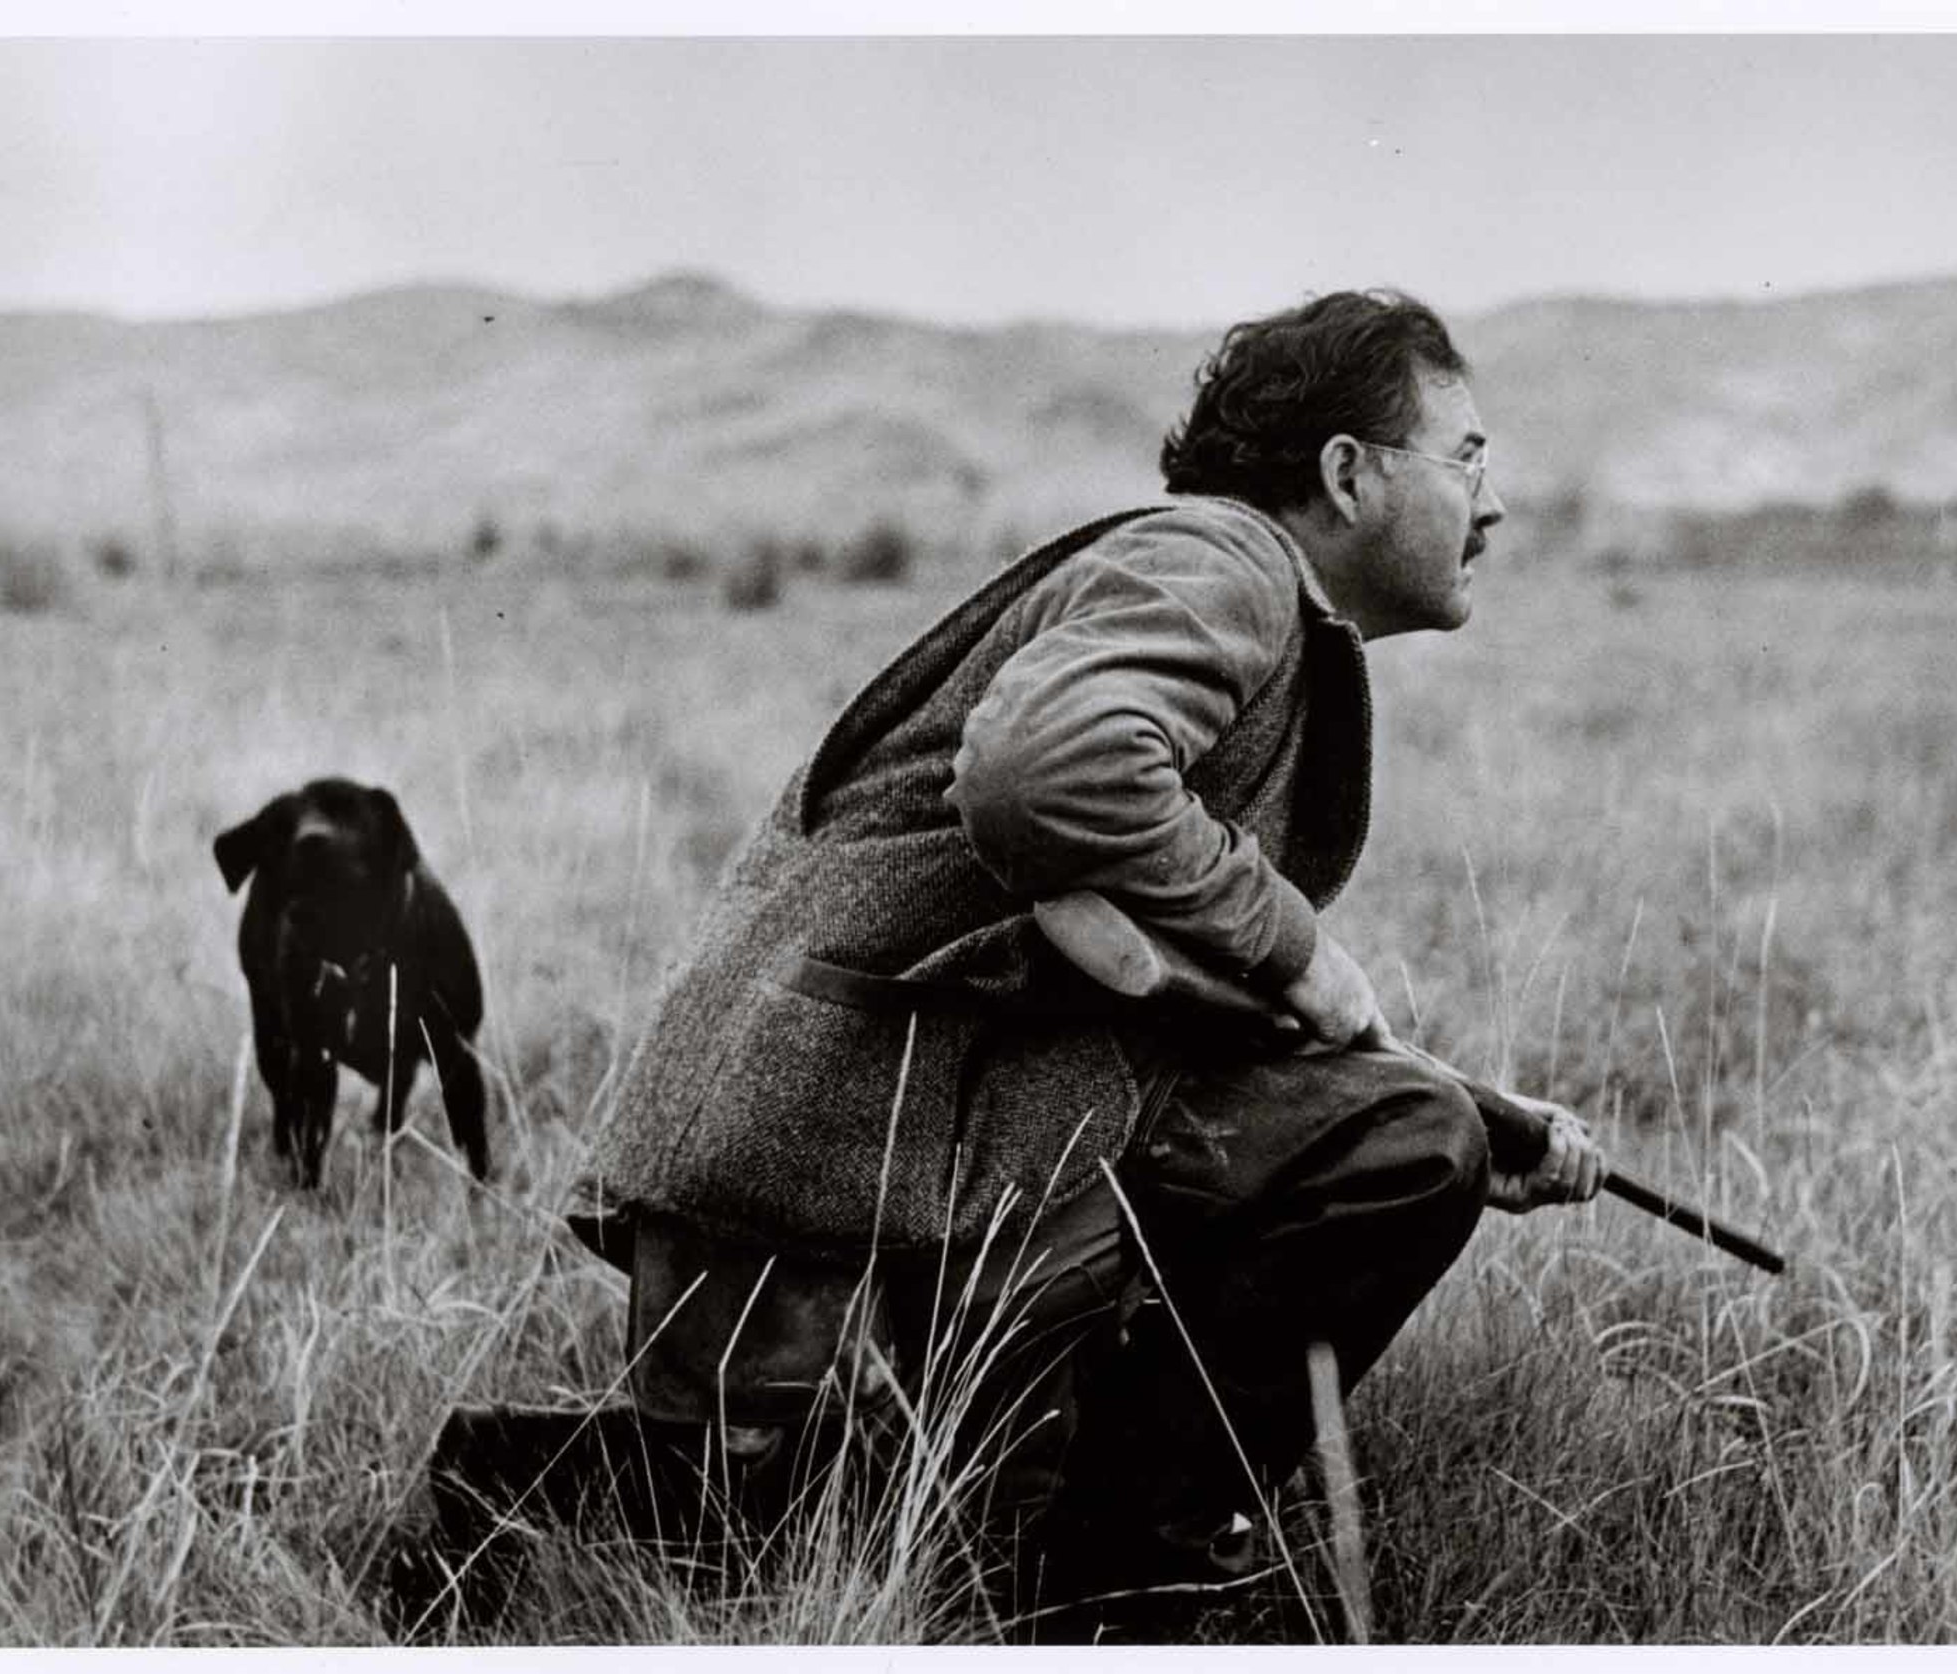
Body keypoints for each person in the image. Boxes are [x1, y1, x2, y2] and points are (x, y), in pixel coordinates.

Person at [547, 288, 1608, 1631]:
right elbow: (1043, 772)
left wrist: (1460, 1100)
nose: (1492, 504)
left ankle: (1072, 1563)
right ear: (1346, 472)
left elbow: (1127, 946)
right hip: (843, 1131)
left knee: (806, 1537)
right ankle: (1117, 1589)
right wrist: (1296, 949)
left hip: (900, 1109)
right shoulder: (1221, 564)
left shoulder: (1224, 579)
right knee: (740, 1541)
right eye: (1467, 458)